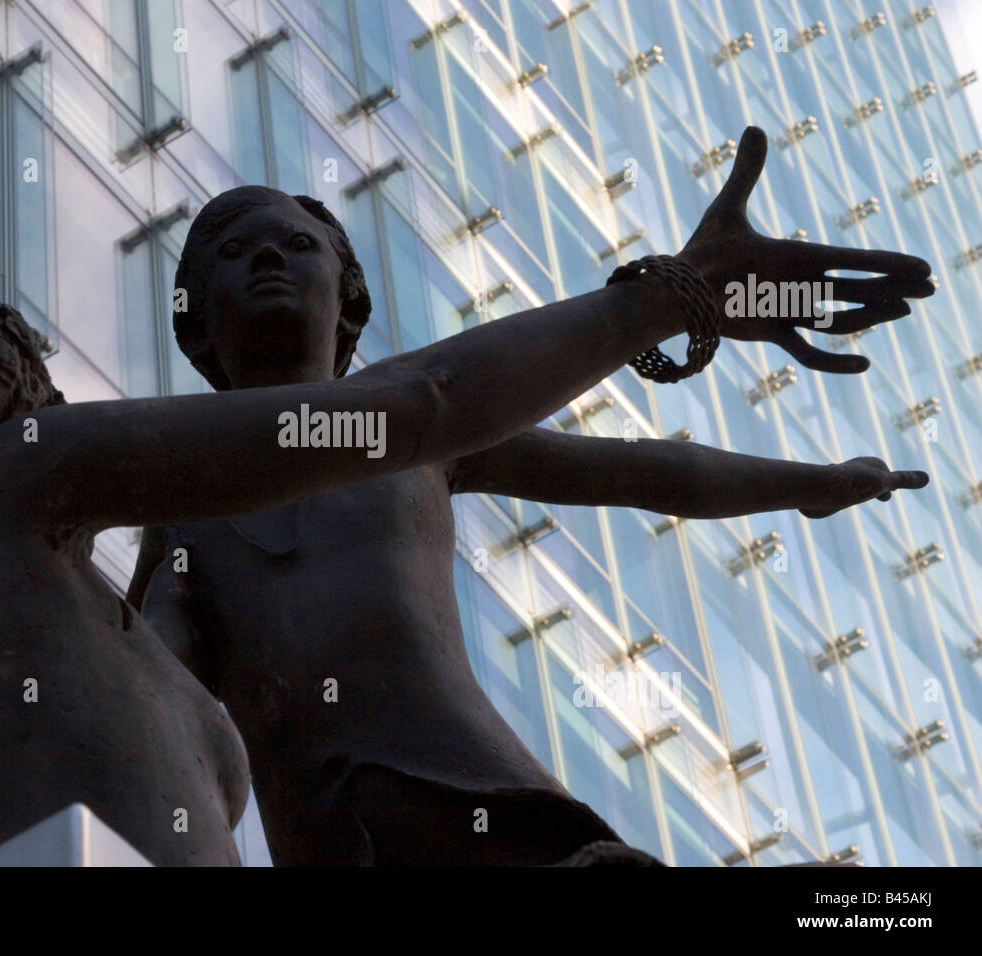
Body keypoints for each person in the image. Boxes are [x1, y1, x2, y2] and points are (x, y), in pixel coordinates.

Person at [129, 127, 935, 865]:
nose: (269, 259)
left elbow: (640, 472)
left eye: (298, 244)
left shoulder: (415, 434)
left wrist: (810, 484)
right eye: (235, 253)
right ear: (197, 325)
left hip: (508, 814)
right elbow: (148, 688)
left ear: (350, 298)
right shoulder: (187, 513)